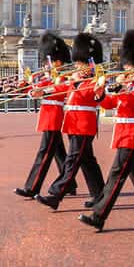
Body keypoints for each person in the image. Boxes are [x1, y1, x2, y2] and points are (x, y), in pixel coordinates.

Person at [79, 30, 134, 231]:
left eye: (129, 65)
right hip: (124, 133)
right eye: (125, 65)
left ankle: (99, 215)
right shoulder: (130, 85)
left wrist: (121, 88)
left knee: (116, 174)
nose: (125, 68)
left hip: (133, 134)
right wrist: (101, 95)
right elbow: (112, 104)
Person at [35, 33, 106, 210]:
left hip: (84, 125)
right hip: (74, 124)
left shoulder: (93, 80)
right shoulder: (77, 79)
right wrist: (43, 92)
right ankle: (99, 195)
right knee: (87, 160)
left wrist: (76, 82)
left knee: (72, 160)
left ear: (90, 64)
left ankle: (56, 194)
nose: (76, 66)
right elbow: (60, 89)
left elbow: (88, 96)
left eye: (79, 63)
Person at [14, 32, 77, 199]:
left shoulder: (65, 76)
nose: (45, 65)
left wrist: (42, 90)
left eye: (48, 62)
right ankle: (70, 184)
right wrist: (25, 85)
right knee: (58, 152)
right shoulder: (50, 76)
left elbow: (61, 89)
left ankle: (32, 187)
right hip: (48, 116)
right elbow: (36, 88)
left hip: (55, 117)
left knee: (45, 153)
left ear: (57, 61)